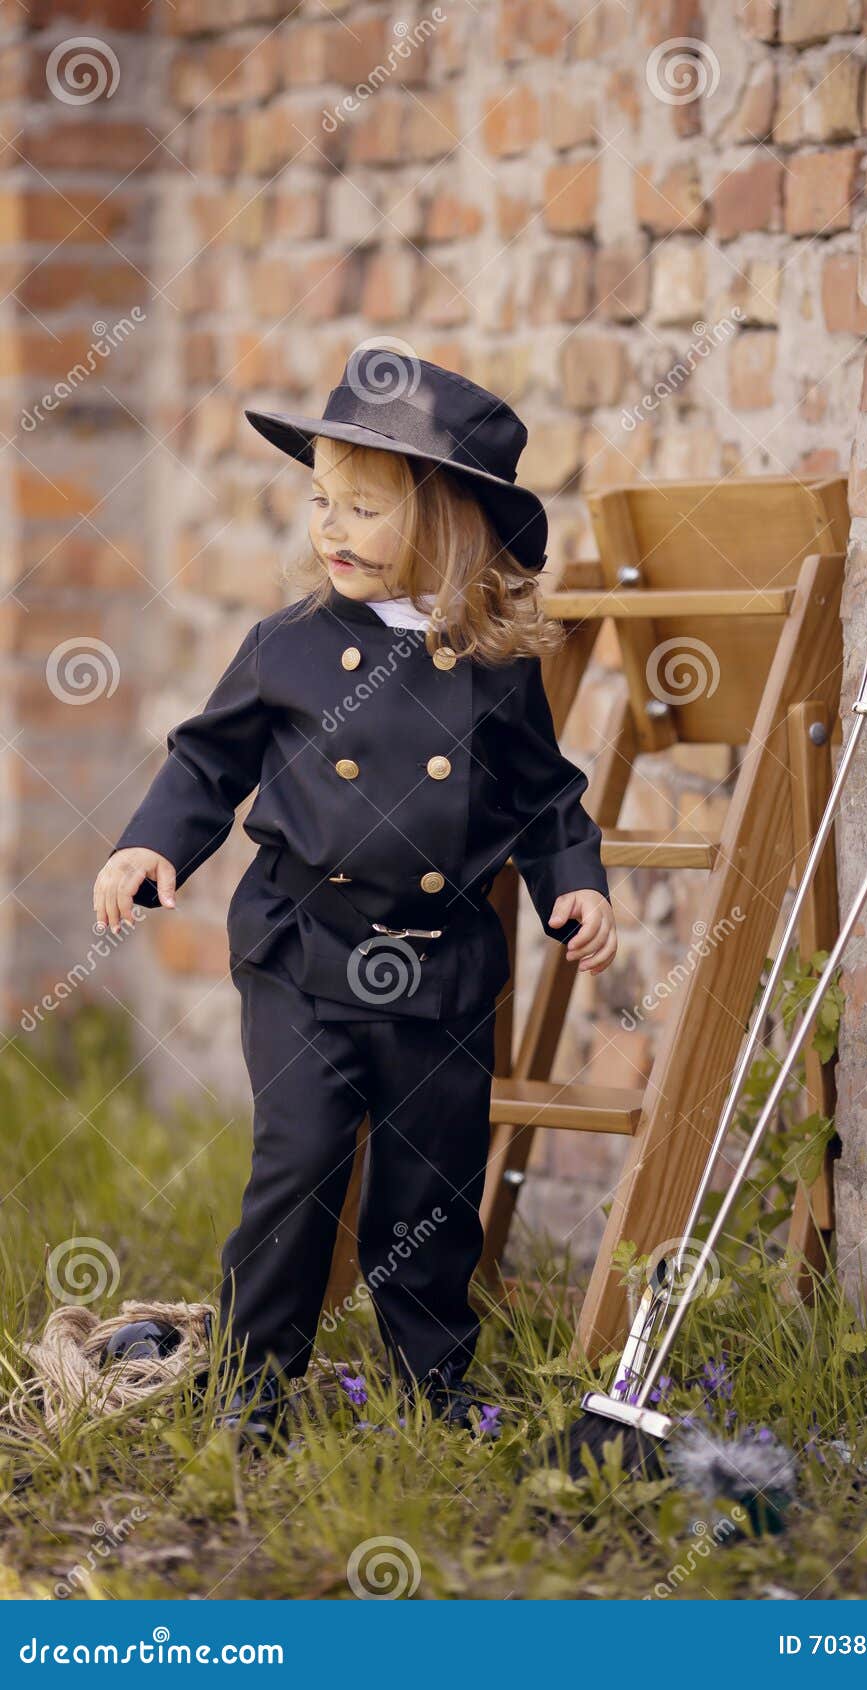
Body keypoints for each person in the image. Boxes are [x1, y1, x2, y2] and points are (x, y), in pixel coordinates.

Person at [92, 350, 616, 1451]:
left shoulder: (491, 667)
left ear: (446, 524)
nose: (330, 525)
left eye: (364, 507)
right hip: (302, 949)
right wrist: (151, 847)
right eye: (320, 498)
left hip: (442, 969)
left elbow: (547, 795)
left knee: (428, 1188)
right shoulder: (283, 646)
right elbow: (205, 762)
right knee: (299, 1165)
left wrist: (574, 886)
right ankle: (251, 1387)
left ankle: (434, 1389)